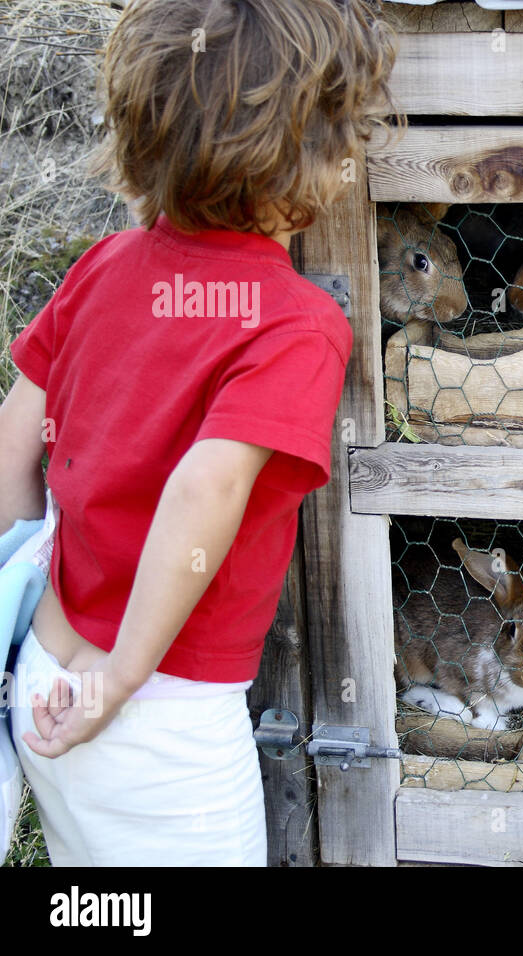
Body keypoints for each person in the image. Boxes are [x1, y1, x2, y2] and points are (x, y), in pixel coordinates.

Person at [0, 0, 398, 866]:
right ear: (315, 155)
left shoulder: (105, 266)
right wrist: (122, 678)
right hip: (156, 715)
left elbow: (14, 439)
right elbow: (206, 485)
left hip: (41, 673)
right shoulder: (295, 322)